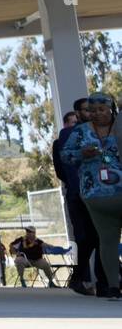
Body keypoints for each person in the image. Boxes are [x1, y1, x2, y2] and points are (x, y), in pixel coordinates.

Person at [60, 93, 122, 300]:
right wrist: (81, 154)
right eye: (92, 110)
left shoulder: (120, 127)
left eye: (101, 110)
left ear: (111, 109)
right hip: (95, 194)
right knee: (107, 239)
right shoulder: (80, 132)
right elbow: (65, 155)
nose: (97, 114)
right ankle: (113, 286)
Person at [54, 101, 106, 296]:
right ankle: (86, 278)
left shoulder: (103, 131)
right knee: (89, 237)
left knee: (100, 237)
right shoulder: (68, 135)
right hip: (80, 193)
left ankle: (102, 282)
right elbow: (63, 165)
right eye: (87, 110)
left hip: (102, 192)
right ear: (77, 113)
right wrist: (75, 184)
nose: (92, 113)